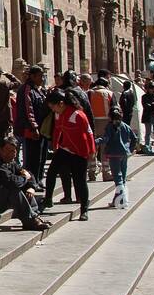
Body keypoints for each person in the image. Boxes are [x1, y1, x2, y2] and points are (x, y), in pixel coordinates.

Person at [0, 136, 50, 231]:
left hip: (0, 200)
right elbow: (12, 182)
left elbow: (28, 174)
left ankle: (34, 216)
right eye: (9, 151)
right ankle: (30, 220)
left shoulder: (10, 162)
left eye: (14, 151)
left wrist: (31, 187)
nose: (12, 154)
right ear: (0, 150)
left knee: (33, 193)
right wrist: (25, 177)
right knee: (12, 188)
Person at [45, 92, 94, 221]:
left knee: (80, 181)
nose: (52, 109)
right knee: (52, 171)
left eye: (53, 107)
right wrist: (55, 145)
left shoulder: (78, 115)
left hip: (79, 152)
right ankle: (48, 199)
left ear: (61, 104)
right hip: (65, 148)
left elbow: (89, 133)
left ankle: (84, 210)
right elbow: (57, 129)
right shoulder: (58, 114)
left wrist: (92, 151)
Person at [15, 65, 48, 188]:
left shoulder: (38, 90)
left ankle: (38, 179)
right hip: (31, 130)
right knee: (32, 158)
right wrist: (33, 127)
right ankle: (31, 182)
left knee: (41, 157)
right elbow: (28, 110)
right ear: (33, 76)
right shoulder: (26, 89)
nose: (42, 78)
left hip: (42, 129)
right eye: (40, 76)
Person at [96, 107, 137, 209]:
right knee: (122, 178)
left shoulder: (109, 127)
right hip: (124, 154)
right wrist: (130, 149)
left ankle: (122, 201)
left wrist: (95, 141)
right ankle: (117, 200)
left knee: (118, 178)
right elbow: (134, 138)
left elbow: (105, 138)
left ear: (109, 117)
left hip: (113, 154)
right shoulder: (125, 126)